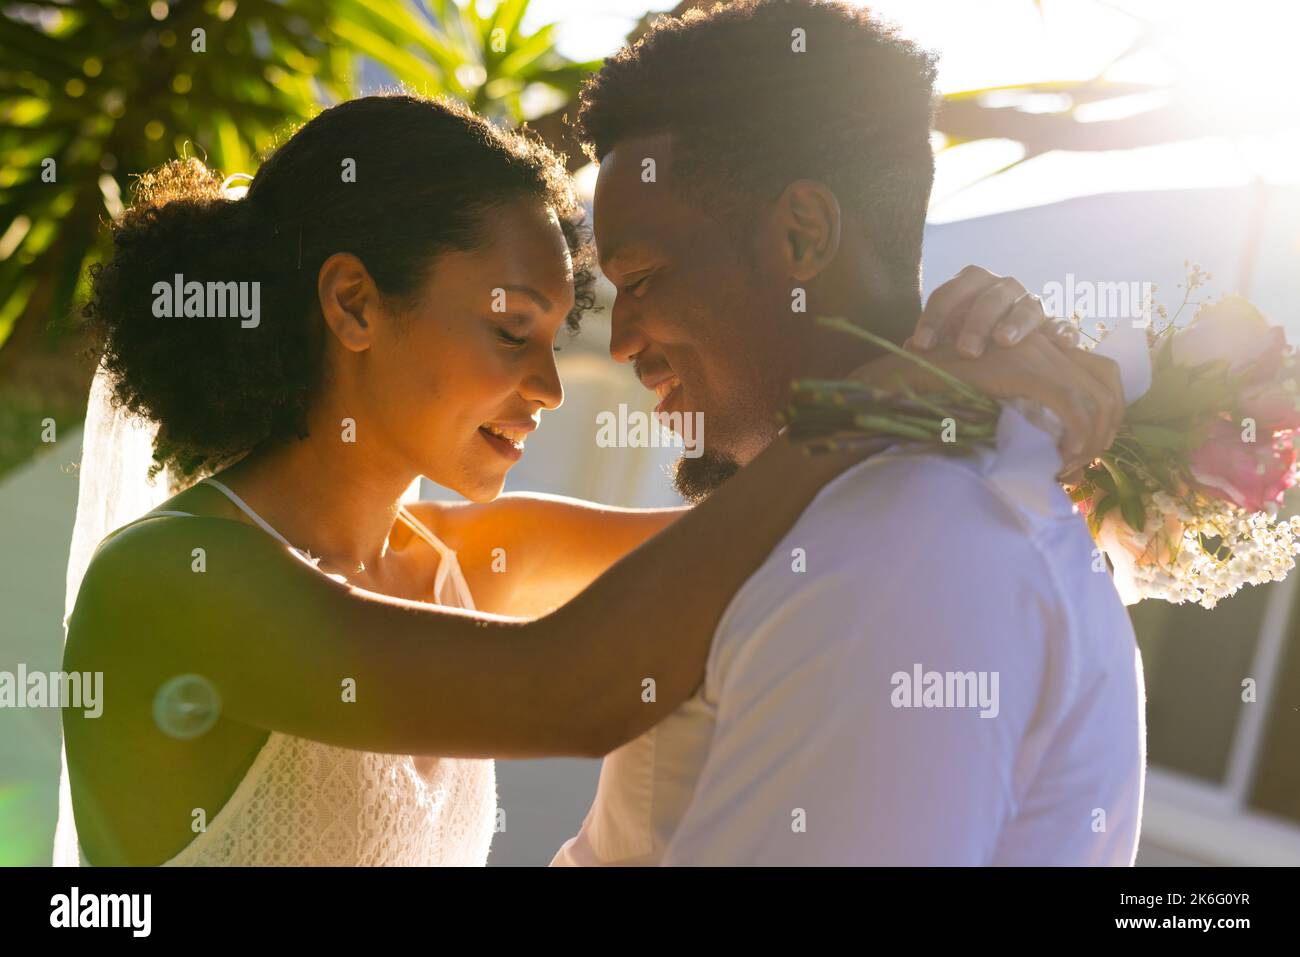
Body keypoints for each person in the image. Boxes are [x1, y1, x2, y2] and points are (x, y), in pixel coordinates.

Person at [550, 0, 1144, 866]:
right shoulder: (816, 519)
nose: (625, 338)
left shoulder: (907, 544)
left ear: (802, 234)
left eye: (641, 277)